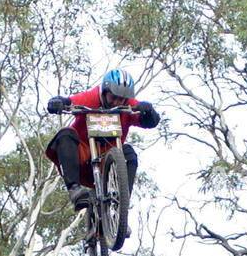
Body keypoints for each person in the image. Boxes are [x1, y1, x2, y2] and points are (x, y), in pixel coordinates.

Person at [45, 68, 160, 213]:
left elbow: (150, 121)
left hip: (110, 161)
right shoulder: (92, 98)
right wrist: (58, 103)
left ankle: (121, 209)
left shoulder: (128, 105)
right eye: (113, 97)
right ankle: (75, 190)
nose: (116, 102)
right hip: (82, 157)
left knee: (129, 153)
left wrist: (148, 112)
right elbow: (71, 101)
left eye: (121, 99)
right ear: (105, 91)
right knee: (66, 133)